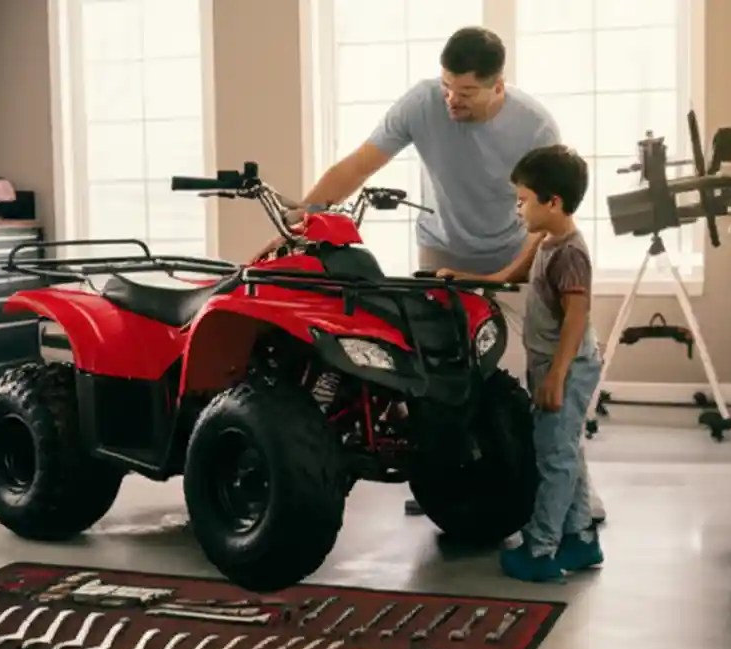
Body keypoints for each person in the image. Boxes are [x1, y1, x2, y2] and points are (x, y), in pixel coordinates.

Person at [256, 26, 605, 519]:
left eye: (465, 93)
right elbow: (359, 165)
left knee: (546, 376)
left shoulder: (535, 127)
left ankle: (572, 492)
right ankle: (438, 476)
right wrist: (304, 219)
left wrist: (505, 273)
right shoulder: (420, 103)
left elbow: (546, 216)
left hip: (515, 252)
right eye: (446, 86)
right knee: (431, 372)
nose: (450, 100)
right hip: (442, 250)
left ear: (498, 86)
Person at [435, 145, 604, 582]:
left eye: (524, 199)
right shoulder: (546, 240)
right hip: (549, 362)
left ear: (553, 202)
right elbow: (507, 276)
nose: (517, 207)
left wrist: (557, 376)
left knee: (554, 458)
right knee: (566, 448)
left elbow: (576, 319)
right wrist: (464, 279)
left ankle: (542, 548)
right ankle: (581, 539)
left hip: (565, 364)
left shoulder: (570, 254)